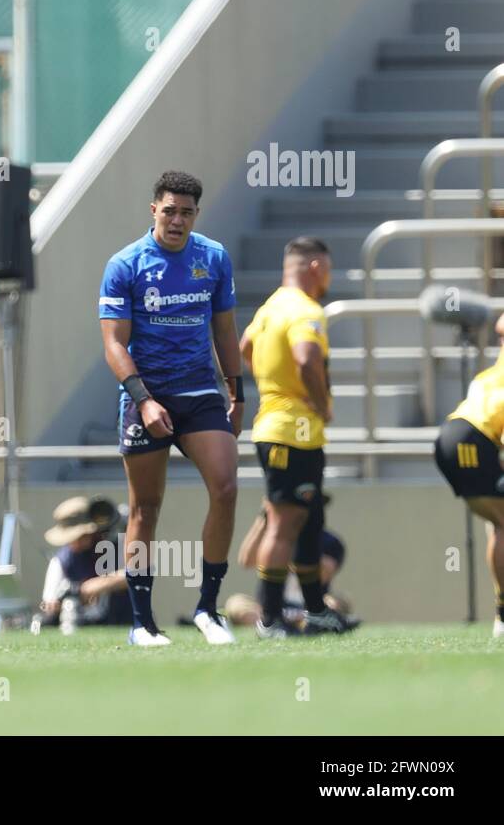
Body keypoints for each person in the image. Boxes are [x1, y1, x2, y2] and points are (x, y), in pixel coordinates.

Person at [98, 170, 243, 647]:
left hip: (200, 392)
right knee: (145, 507)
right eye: (169, 211)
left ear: (196, 214)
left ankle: (208, 608)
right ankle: (143, 623)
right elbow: (114, 345)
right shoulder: (126, 264)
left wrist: (237, 392)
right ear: (153, 210)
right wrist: (144, 401)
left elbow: (224, 330)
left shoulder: (213, 257)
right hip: (146, 394)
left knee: (225, 487)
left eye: (186, 212)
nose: (177, 220)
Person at [239, 236, 353, 638]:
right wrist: (319, 403)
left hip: (279, 428)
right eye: (329, 271)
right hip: (293, 432)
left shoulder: (270, 307)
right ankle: (269, 618)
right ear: (317, 268)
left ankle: (316, 610)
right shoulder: (307, 310)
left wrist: (273, 386)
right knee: (284, 524)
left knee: (307, 523)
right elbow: (306, 358)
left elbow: (246, 347)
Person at [432, 311, 504, 639]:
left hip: (450, 438)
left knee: (499, 523)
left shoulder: (490, 375)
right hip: (471, 440)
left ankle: (502, 615)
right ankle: (502, 615)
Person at [33, 495, 131, 634]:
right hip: (80, 625)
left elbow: (139, 573)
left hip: (123, 623)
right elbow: (47, 603)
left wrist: (93, 586)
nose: (74, 542)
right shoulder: (61, 560)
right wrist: (57, 604)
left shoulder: (114, 547)